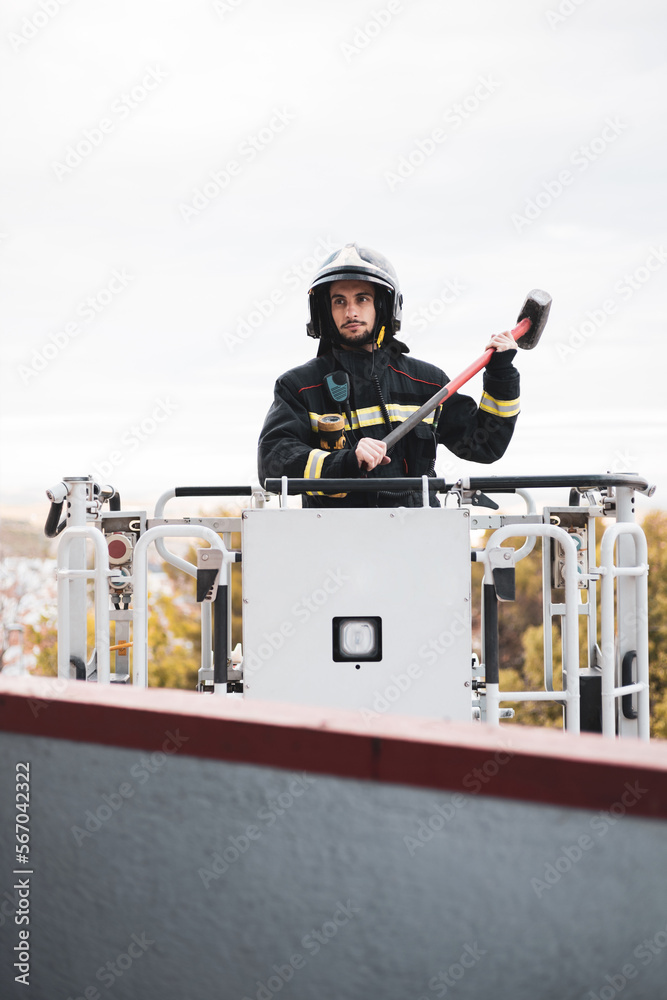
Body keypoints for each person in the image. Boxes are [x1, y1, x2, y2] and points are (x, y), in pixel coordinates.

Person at [257, 243, 519, 507]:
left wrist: (501, 374)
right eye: (339, 301)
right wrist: (345, 461)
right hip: (336, 540)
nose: (351, 312)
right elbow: (271, 461)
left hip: (420, 537)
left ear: (383, 305)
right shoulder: (300, 387)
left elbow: (486, 446)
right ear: (324, 311)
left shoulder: (427, 382)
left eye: (362, 299)